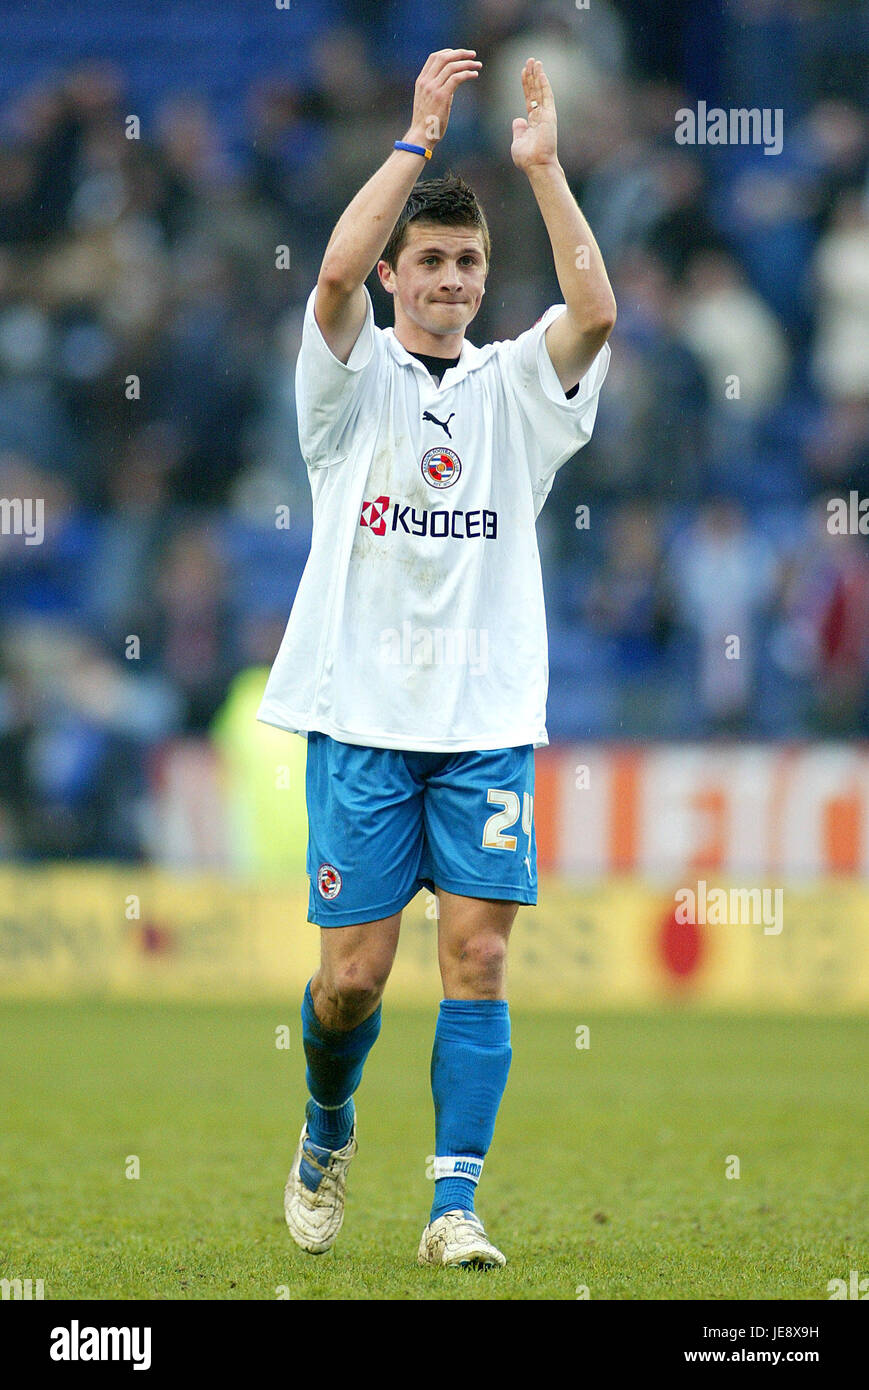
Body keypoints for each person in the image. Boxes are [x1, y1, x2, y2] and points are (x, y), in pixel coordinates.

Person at [257, 48, 616, 1268]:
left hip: (484, 720)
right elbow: (333, 270)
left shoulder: (517, 386)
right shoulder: (344, 391)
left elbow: (599, 313)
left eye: (469, 262)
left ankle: (451, 1203)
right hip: (360, 713)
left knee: (478, 952)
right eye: (435, 262)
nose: (454, 279)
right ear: (401, 278)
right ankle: (325, 1122)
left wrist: (545, 171)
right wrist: (414, 142)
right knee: (351, 981)